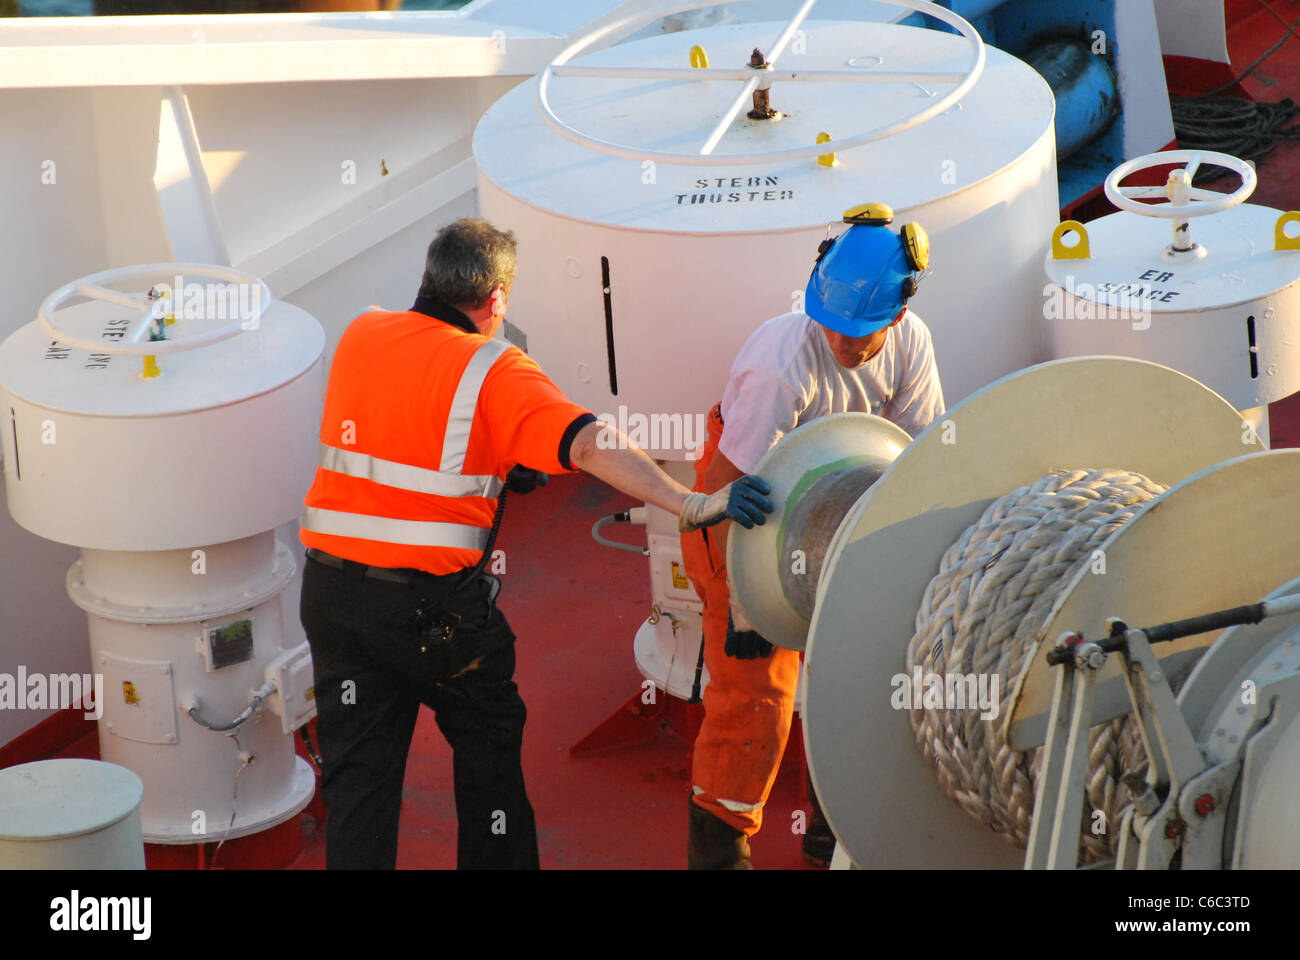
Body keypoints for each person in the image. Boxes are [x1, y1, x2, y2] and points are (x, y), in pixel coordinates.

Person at [298, 217, 773, 869]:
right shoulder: (497, 369)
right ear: (496, 300)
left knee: (359, 785)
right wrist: (688, 501)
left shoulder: (361, 332)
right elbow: (587, 443)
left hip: (329, 599)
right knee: (488, 755)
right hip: (429, 616)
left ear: (429, 278)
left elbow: (410, 426)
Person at [680, 202, 946, 869]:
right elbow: (719, 493)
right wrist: (745, 605)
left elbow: (918, 459)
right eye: (831, 329)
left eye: (860, 334)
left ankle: (834, 830)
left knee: (852, 676)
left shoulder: (913, 346)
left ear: (900, 313)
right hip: (739, 512)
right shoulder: (780, 366)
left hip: (844, 517)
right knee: (755, 699)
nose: (843, 345)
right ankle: (720, 851)